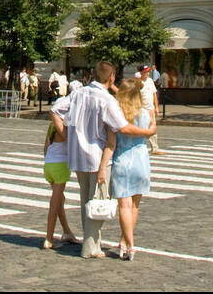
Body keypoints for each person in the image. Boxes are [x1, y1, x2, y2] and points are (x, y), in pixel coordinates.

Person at [48, 60, 155, 259]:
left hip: (77, 155)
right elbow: (122, 127)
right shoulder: (106, 99)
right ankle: (91, 247)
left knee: (85, 201)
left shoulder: (78, 93)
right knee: (97, 201)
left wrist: (66, 135)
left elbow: (54, 110)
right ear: (112, 77)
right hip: (98, 157)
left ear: (93, 75)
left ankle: (91, 242)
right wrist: (147, 132)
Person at [107, 77, 153, 260]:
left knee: (124, 206)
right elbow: (153, 129)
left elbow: (111, 142)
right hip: (142, 161)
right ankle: (124, 242)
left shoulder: (118, 114)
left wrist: (103, 166)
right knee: (135, 206)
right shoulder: (146, 113)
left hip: (123, 160)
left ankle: (130, 244)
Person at [41, 117, 77, 249]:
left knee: (60, 200)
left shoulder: (51, 126)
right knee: (55, 203)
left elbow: (45, 147)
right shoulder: (66, 128)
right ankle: (49, 238)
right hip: (61, 165)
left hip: (49, 165)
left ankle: (67, 231)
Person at [138, 66, 162, 155]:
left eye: (148, 72)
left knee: (153, 128)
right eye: (145, 72)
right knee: (142, 129)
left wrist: (156, 107)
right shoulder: (138, 82)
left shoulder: (150, 81)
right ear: (141, 73)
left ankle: (154, 148)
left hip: (150, 108)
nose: (147, 73)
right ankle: (140, 147)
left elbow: (154, 94)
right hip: (142, 109)